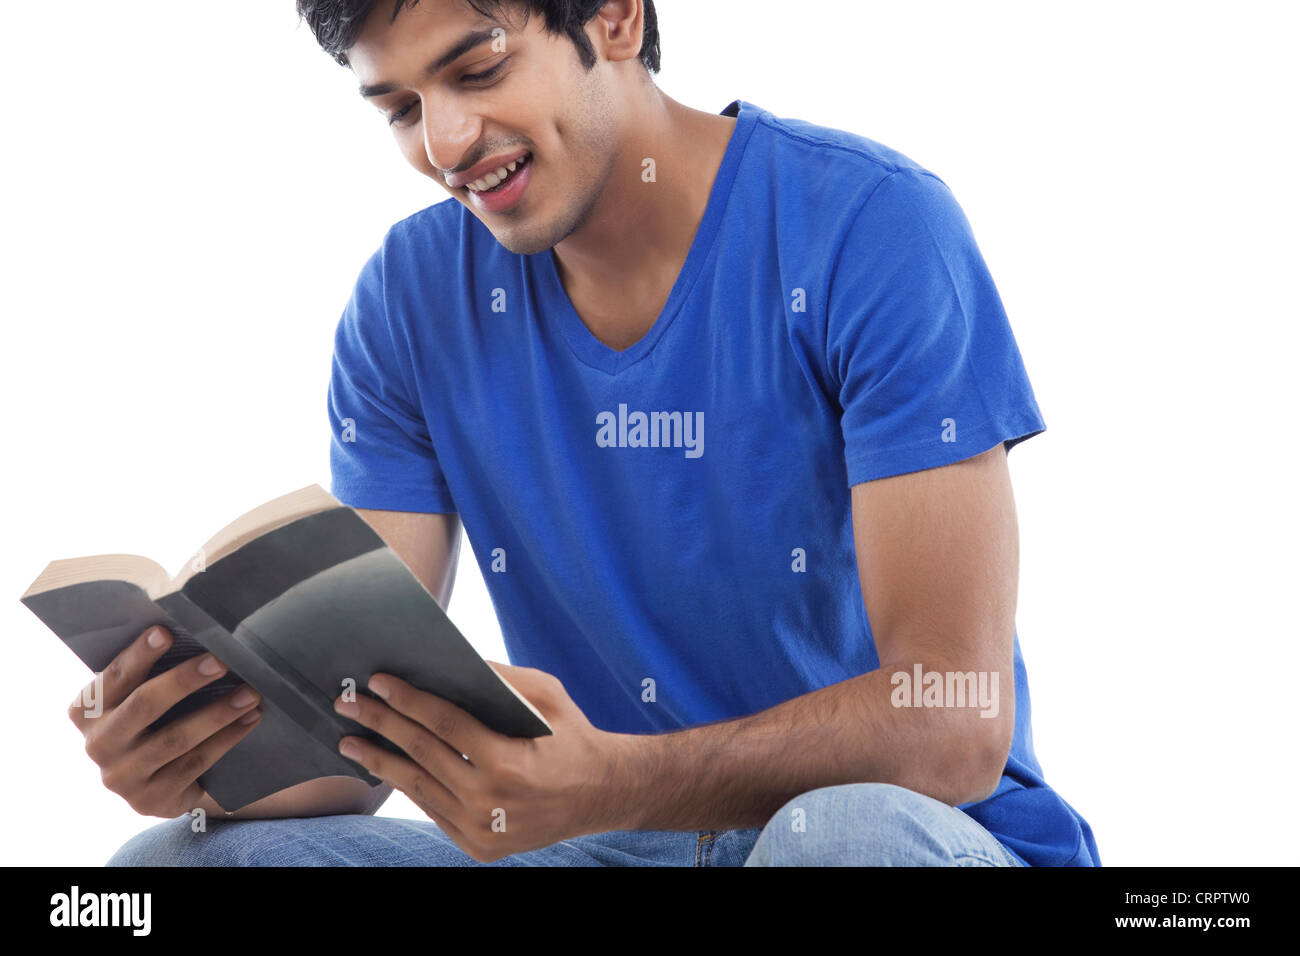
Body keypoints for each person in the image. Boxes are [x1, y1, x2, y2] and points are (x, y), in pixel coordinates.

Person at [98, 0, 1099, 866]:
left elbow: (954, 719)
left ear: (617, 17)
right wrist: (200, 759)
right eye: (400, 108)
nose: (445, 143)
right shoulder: (408, 301)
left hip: (895, 832)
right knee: (168, 860)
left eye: (477, 68)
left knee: (834, 840)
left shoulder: (869, 225)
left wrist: (618, 778)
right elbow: (364, 728)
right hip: (598, 841)